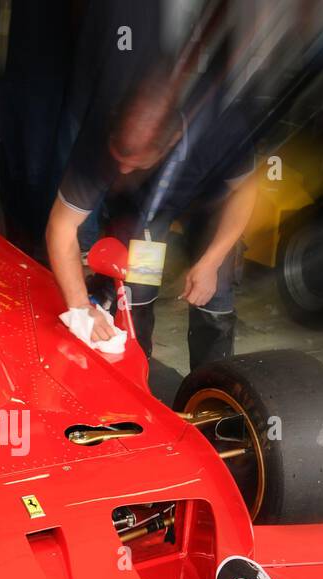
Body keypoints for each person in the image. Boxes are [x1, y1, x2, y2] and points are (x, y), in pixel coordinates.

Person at [46, 71, 257, 370]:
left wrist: (212, 260)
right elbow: (62, 226)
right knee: (135, 292)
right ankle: (136, 375)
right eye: (118, 159)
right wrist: (81, 308)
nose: (122, 170)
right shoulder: (99, 135)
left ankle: (210, 386)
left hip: (212, 203)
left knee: (214, 291)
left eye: (135, 163)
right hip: (144, 210)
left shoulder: (221, 125)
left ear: (171, 141)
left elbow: (246, 192)